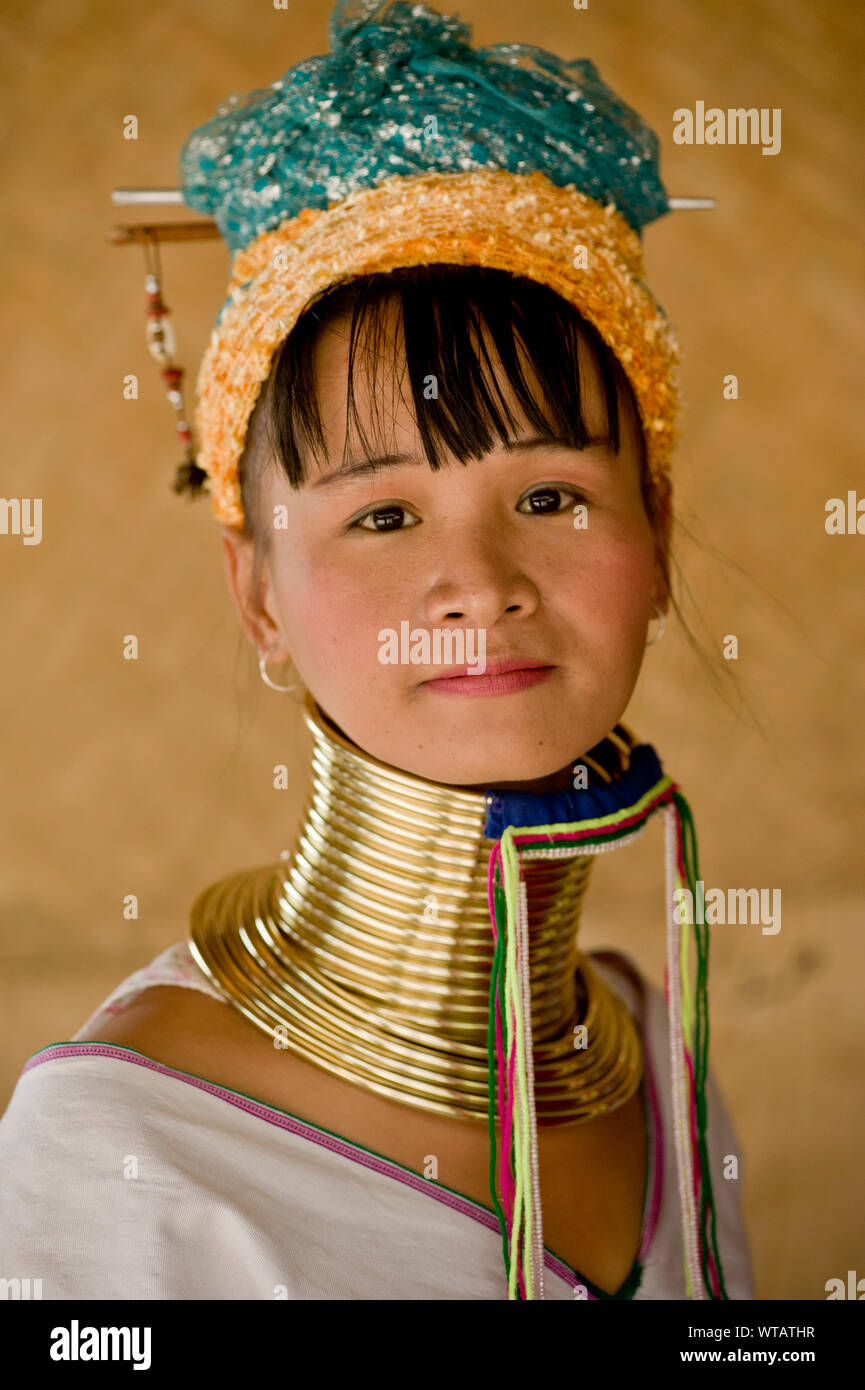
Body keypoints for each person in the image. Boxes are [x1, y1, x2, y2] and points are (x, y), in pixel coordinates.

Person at [0, 0, 755, 1301]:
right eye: (382, 514)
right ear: (259, 595)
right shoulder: (126, 1143)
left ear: (658, 533)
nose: (478, 585)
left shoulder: (646, 1043)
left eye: (551, 497)